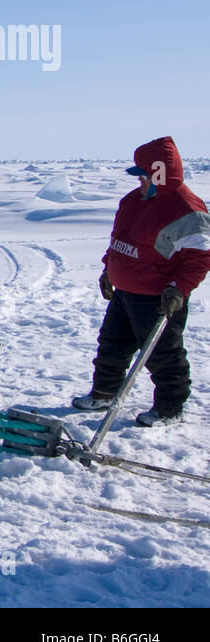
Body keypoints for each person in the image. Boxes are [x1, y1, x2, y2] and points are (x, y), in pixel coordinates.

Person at [71, 137, 210, 427]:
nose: (140, 181)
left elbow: (199, 259)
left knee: (163, 355)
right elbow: (119, 240)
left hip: (158, 299)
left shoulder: (187, 210)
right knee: (111, 345)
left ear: (161, 173)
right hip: (125, 292)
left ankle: (170, 408)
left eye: (145, 175)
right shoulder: (133, 201)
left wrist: (178, 289)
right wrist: (109, 269)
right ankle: (104, 393)